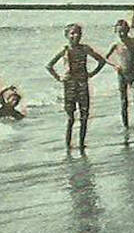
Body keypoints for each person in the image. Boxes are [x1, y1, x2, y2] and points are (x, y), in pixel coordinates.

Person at [47, 23, 113, 151]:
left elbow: (101, 61)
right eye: (72, 33)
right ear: (66, 35)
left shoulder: (85, 49)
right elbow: (49, 66)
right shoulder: (65, 50)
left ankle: (81, 144)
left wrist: (92, 74)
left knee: (84, 116)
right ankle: (68, 145)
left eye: (77, 33)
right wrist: (59, 78)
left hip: (83, 84)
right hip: (69, 85)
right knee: (70, 117)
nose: (75, 35)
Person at [104, 19, 134, 128]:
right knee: (123, 102)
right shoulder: (116, 45)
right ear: (115, 31)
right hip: (121, 75)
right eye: (119, 32)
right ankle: (125, 126)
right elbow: (105, 58)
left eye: (123, 31)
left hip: (133, 75)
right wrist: (115, 65)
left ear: (128, 30)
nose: (121, 34)